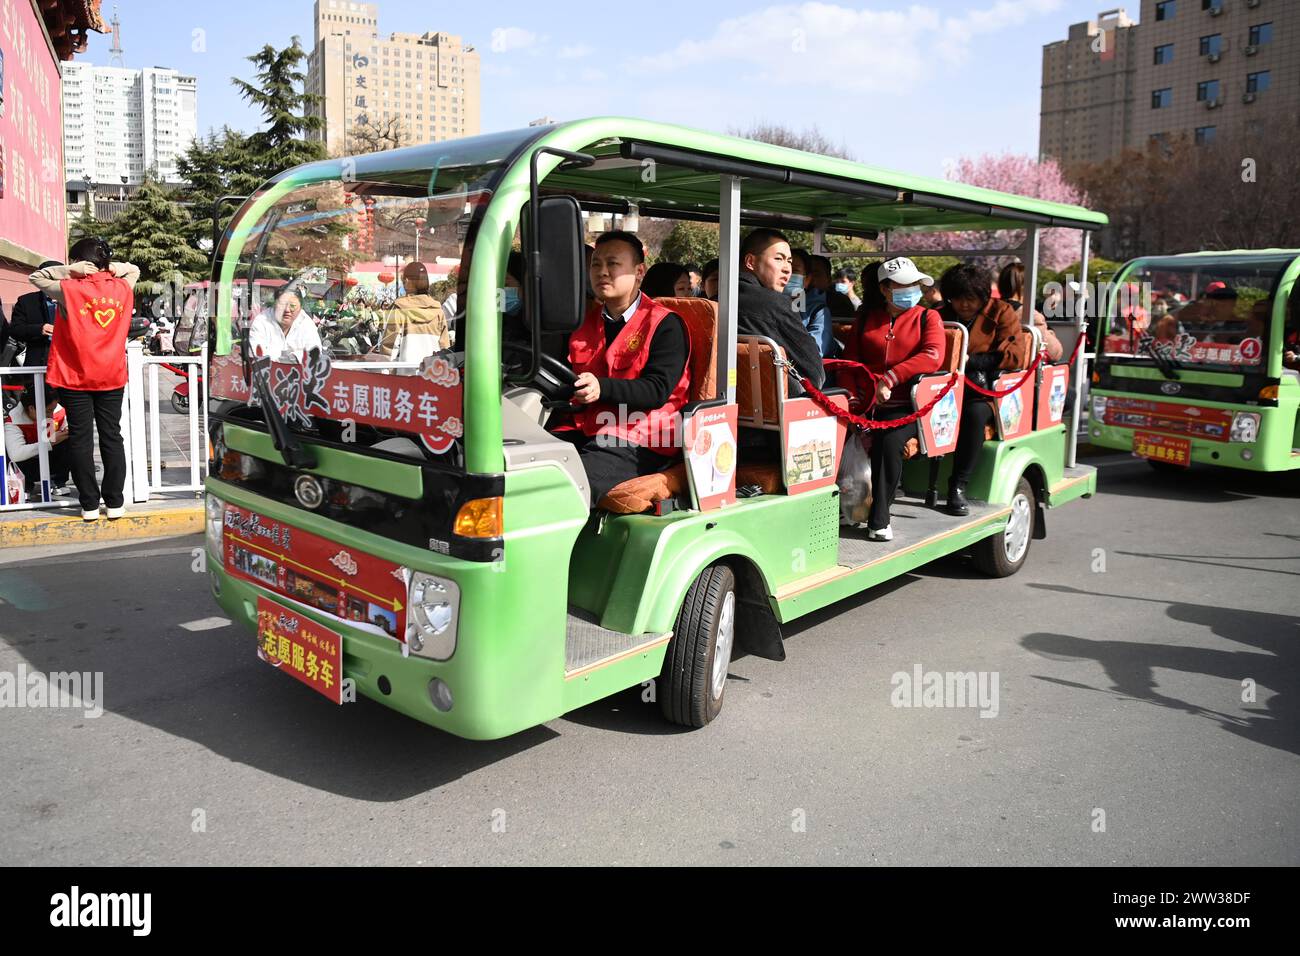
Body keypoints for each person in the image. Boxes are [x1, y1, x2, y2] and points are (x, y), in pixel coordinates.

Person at [549, 230, 692, 506]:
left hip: (643, 436)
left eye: (613, 264)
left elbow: (656, 390)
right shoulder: (582, 323)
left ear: (639, 271)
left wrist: (601, 387)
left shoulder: (664, 324)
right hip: (586, 428)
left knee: (563, 487)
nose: (602, 272)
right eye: (596, 264)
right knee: (524, 469)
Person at [28, 238, 139, 521]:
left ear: (79, 260)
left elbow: (37, 276)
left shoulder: (69, 289)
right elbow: (133, 269)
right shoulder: (122, 286)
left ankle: (89, 504)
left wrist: (72, 271)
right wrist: (108, 268)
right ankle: (114, 502)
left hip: (75, 376)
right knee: (112, 437)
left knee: (80, 439)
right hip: (111, 374)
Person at [841, 258, 944, 540]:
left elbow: (933, 356)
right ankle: (843, 507)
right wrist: (851, 400)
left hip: (908, 407)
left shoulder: (928, 317)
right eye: (903, 284)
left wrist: (892, 377)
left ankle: (879, 518)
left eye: (914, 284)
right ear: (885, 289)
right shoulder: (865, 319)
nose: (911, 289)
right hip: (865, 404)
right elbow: (849, 361)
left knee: (889, 441)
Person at [938, 263, 1027, 516]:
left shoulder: (1002, 312)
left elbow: (1014, 356)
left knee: (974, 415)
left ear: (983, 296)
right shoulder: (940, 313)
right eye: (957, 299)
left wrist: (972, 360)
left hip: (985, 389)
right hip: (945, 386)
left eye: (970, 299)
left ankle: (958, 485)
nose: (964, 305)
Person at [735, 229, 825, 391]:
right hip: (779, 408)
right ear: (750, 262)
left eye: (789, 261)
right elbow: (816, 375)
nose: (787, 269)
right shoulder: (778, 304)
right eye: (779, 259)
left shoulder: (716, 301)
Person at [3, 384, 72, 497]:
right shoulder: (13, 419)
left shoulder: (58, 411)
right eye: (48, 411)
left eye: (53, 409)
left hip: (51, 459)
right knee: (6, 447)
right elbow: (16, 454)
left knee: (73, 440)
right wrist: (50, 442)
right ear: (31, 408)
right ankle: (24, 484)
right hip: (26, 465)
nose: (51, 414)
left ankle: (58, 481)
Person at [378, 262, 451, 363]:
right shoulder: (438, 311)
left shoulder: (399, 308)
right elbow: (445, 347)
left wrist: (386, 373)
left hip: (404, 374)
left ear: (407, 281)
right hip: (432, 373)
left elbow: (389, 348)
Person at [997, 261, 1062, 362]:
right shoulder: (1030, 316)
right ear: (1026, 287)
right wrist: (1050, 333)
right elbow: (1054, 353)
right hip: (1017, 370)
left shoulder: (989, 309)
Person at [8, 260, 63, 368]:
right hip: (39, 361)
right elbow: (15, 329)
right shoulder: (26, 301)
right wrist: (40, 329)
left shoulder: (75, 299)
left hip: (68, 361)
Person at [247, 287, 322, 363]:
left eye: (292, 305)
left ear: (300, 307)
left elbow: (315, 352)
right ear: (274, 304)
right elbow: (255, 352)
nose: (287, 310)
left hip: (298, 373)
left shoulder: (305, 322)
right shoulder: (262, 320)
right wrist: (283, 358)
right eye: (282, 304)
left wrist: (292, 358)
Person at [789, 248, 833, 357]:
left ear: (806, 279)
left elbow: (815, 351)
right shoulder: (772, 301)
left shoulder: (818, 311)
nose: (788, 275)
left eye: (795, 271)